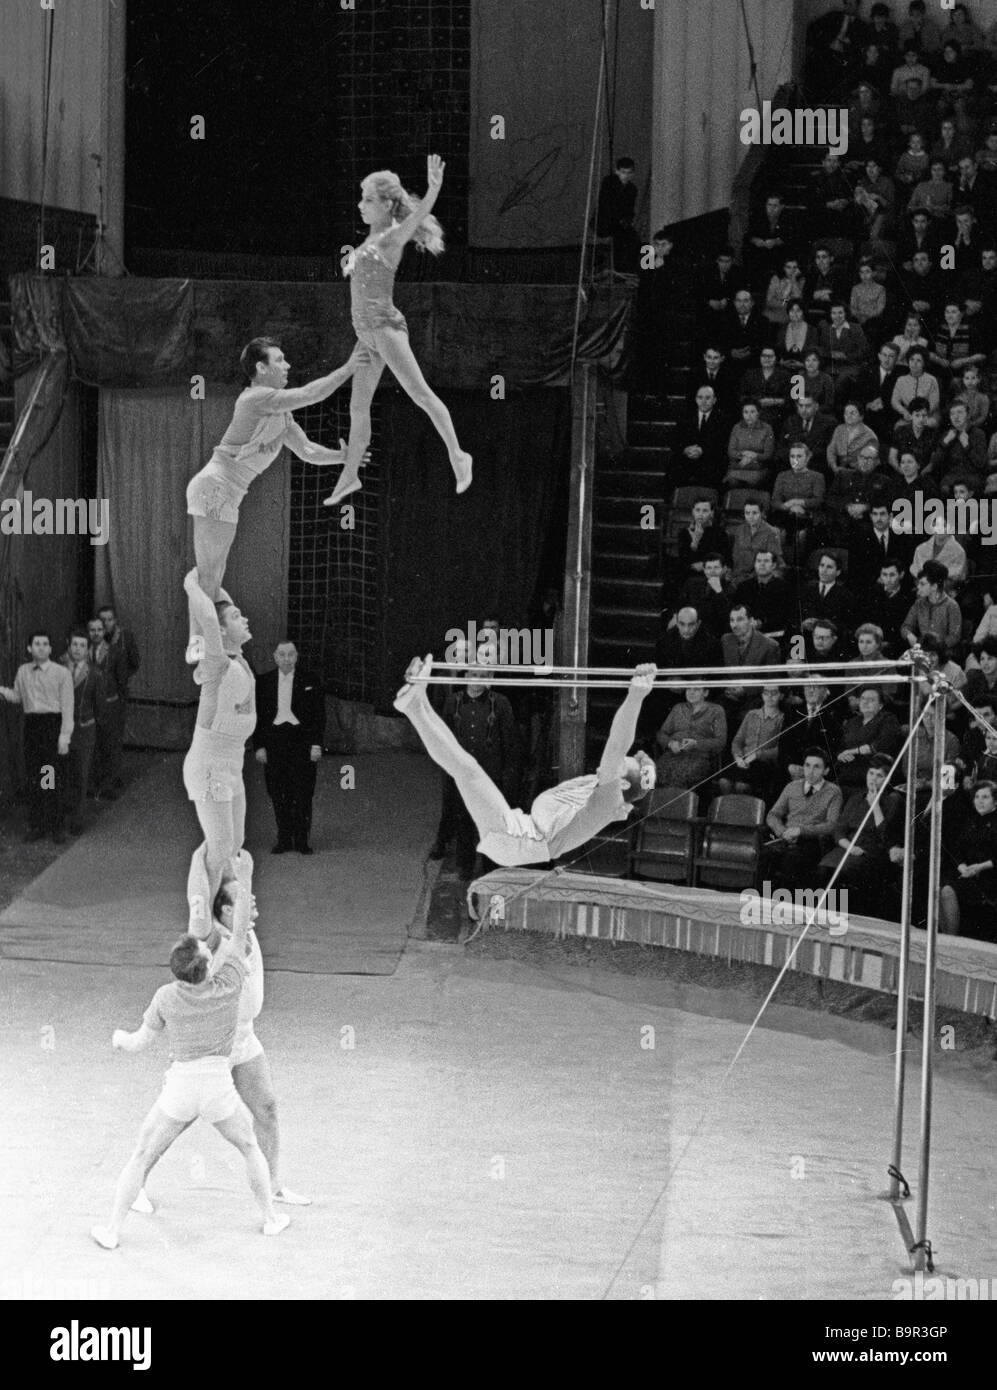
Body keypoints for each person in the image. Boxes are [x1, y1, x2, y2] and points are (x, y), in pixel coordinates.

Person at [90, 856, 290, 1249]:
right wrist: (245, 874)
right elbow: (231, 941)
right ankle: (270, 1217)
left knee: (143, 1150)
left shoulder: (166, 997)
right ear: (207, 965)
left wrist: (119, 1039)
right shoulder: (227, 984)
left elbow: (139, 1041)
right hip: (219, 1090)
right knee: (249, 1147)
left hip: (181, 1088)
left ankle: (112, 1231)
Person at [131, 861, 310, 1217]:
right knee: (175, 1124)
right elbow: (202, 889)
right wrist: (211, 852)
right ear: (226, 910)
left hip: (244, 1039)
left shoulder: (246, 929)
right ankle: (135, 1186)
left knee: (268, 1109)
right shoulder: (212, 937)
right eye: (247, 900)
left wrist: (232, 862)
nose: (254, 904)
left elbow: (234, 903)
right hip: (213, 1047)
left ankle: (272, 1186)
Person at [395, 656, 656, 867]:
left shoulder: (609, 799)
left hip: (520, 842)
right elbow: (619, 753)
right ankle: (418, 702)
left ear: (621, 783)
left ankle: (415, 707)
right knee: (467, 767)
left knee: (466, 770)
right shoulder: (604, 793)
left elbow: (617, 742)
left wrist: (636, 697)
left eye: (625, 762)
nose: (619, 758)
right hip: (522, 834)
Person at [325, 156, 473, 506]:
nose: (361, 205)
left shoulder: (392, 238)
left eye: (369, 199)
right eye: (361, 198)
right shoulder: (369, 242)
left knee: (420, 394)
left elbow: (418, 217)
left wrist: (434, 188)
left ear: (387, 204)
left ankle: (457, 454)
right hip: (366, 334)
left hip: (385, 328)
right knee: (358, 406)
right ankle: (349, 476)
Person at [186, 341, 358, 641]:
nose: (288, 365)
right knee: (208, 576)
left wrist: (342, 457)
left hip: (229, 493)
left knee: (213, 579)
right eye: (280, 360)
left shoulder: (281, 414)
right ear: (260, 368)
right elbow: (309, 394)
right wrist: (350, 367)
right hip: (216, 486)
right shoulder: (255, 398)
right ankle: (198, 642)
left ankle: (208, 643)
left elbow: (306, 451)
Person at [182, 569, 256, 921]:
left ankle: (222, 911)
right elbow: (210, 617)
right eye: (237, 616)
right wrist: (193, 582)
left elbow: (215, 609)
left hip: (232, 766)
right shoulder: (217, 664)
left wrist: (214, 577)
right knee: (220, 848)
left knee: (234, 844)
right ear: (222, 631)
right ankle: (204, 923)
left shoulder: (240, 661)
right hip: (210, 765)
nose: (245, 618)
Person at [254, 640, 326, 855]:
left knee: (303, 792)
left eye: (291, 655)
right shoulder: (264, 682)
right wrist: (259, 746)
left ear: (297, 656)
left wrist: (316, 744)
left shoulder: (310, 680)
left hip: (301, 741)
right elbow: (257, 717)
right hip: (275, 741)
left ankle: (302, 840)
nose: (286, 659)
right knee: (278, 792)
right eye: (282, 655)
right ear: (275, 657)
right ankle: (284, 838)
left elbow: (319, 716)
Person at [0, 631, 73, 844]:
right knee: (35, 777)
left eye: (45, 644)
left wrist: (64, 737)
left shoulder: (61, 673)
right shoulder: (23, 671)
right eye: (37, 644)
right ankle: (38, 825)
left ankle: (55, 825)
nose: (41, 647)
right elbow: (17, 696)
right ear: (29, 649)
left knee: (49, 777)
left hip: (52, 727)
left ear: (50, 649)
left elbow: (67, 707)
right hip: (32, 728)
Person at [820, 755, 904, 917]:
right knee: (824, 868)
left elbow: (886, 835)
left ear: (887, 779)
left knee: (844, 874)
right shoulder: (856, 798)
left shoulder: (894, 800)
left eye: (879, 775)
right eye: (871, 773)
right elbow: (839, 830)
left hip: (873, 850)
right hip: (849, 846)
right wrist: (850, 847)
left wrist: (875, 807)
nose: (873, 779)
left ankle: (842, 919)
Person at [764, 749, 844, 889]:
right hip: (786, 837)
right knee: (765, 855)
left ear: (826, 771)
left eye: (816, 767)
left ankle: (785, 906)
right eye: (807, 765)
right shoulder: (792, 786)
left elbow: (831, 825)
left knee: (791, 859)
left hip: (812, 840)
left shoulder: (834, 791)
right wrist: (782, 831)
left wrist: (801, 831)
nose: (810, 771)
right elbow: (773, 815)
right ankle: (760, 904)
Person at [58, 629, 106, 836]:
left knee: (79, 776)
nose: (78, 649)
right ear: (69, 646)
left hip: (83, 732)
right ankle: (51, 816)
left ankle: (76, 819)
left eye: (82, 646)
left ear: (87, 650)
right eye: (75, 645)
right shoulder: (57, 669)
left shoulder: (95, 674)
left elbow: (100, 707)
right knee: (51, 773)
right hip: (58, 731)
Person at [91, 604, 139, 796]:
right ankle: (101, 777)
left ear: (115, 621)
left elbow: (134, 663)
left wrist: (120, 681)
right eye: (101, 621)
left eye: (109, 620)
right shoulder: (92, 642)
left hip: (116, 695)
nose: (105, 624)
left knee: (114, 737)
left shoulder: (124, 639)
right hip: (96, 698)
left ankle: (113, 777)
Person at [939, 781, 997, 940]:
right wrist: (962, 867)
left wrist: (979, 867)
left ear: (995, 801)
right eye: (977, 797)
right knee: (937, 889)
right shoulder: (971, 821)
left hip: (989, 877)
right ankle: (945, 939)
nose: (980, 801)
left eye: (985, 797)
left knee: (947, 891)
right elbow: (957, 850)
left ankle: (951, 940)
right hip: (969, 873)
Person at [654, 684, 727, 791]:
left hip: (698, 757)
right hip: (672, 755)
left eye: (696, 689)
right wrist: (670, 743)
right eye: (688, 689)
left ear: (706, 693)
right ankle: (649, 806)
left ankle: (675, 807)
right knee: (646, 775)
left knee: (679, 777)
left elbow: (720, 741)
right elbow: (661, 733)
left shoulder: (716, 710)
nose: (691, 692)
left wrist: (696, 744)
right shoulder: (678, 708)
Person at [596, 156, 640, 272]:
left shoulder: (632, 189)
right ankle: (618, 270)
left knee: (634, 239)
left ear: (633, 173)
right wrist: (619, 219)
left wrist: (627, 221)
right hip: (605, 221)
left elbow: (630, 210)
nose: (626, 176)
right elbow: (605, 204)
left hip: (620, 224)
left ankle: (629, 270)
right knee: (620, 239)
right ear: (617, 171)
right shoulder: (609, 182)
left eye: (629, 173)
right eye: (623, 172)